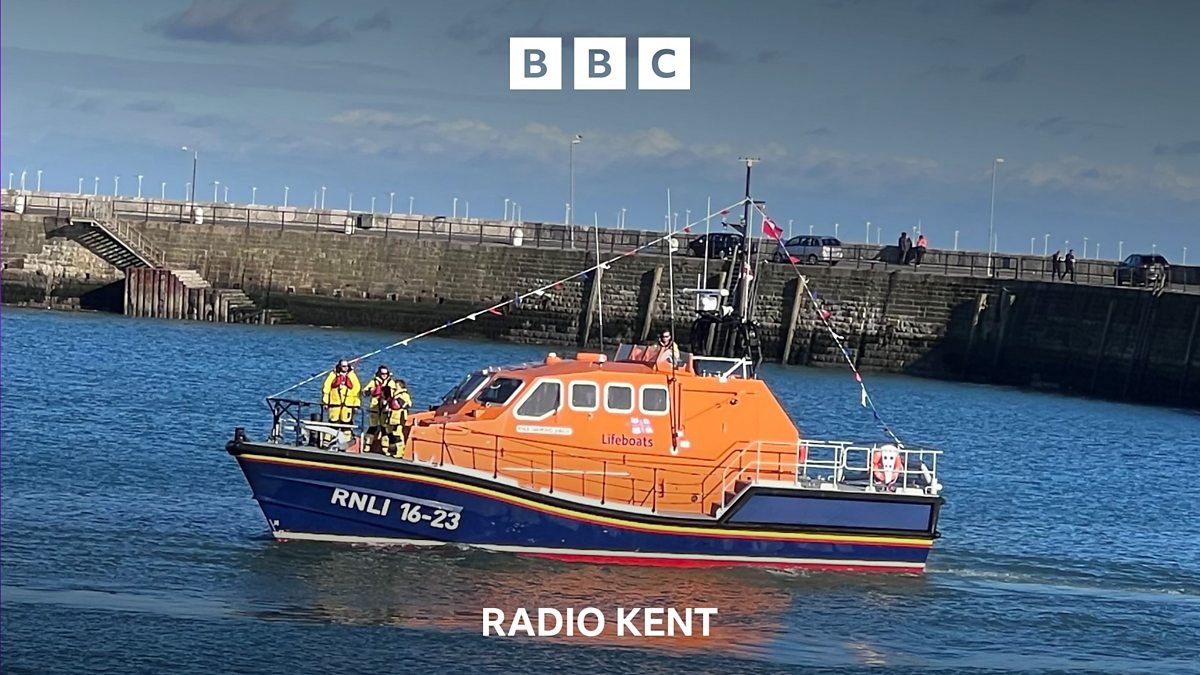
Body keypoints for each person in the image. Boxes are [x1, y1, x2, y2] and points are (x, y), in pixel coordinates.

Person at [363, 366, 412, 457]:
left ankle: (386, 449)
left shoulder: (392, 384)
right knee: (372, 428)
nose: (384, 375)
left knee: (386, 430)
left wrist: (392, 400)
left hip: (387, 411)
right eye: (382, 373)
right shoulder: (374, 382)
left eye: (385, 373)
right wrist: (372, 391)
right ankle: (367, 446)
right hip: (375, 409)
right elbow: (365, 392)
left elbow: (401, 401)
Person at [321, 359, 361, 428]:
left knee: (346, 424)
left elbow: (357, 391)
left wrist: (356, 404)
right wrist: (325, 402)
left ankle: (346, 438)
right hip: (334, 404)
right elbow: (326, 389)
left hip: (348, 405)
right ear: (339, 366)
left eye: (347, 366)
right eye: (343, 366)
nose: (345, 368)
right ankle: (329, 438)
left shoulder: (352, 376)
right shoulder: (333, 375)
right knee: (333, 423)